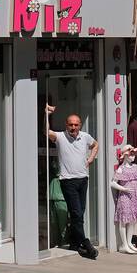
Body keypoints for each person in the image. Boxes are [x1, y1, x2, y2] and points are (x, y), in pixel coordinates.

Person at [45, 104, 99, 259]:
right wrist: (46, 115)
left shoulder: (85, 136)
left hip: (83, 179)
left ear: (80, 125)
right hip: (68, 181)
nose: (73, 127)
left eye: (76, 125)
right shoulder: (60, 137)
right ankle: (86, 244)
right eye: (70, 125)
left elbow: (96, 145)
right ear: (66, 125)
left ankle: (74, 243)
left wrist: (90, 158)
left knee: (79, 213)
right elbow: (46, 132)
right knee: (76, 213)